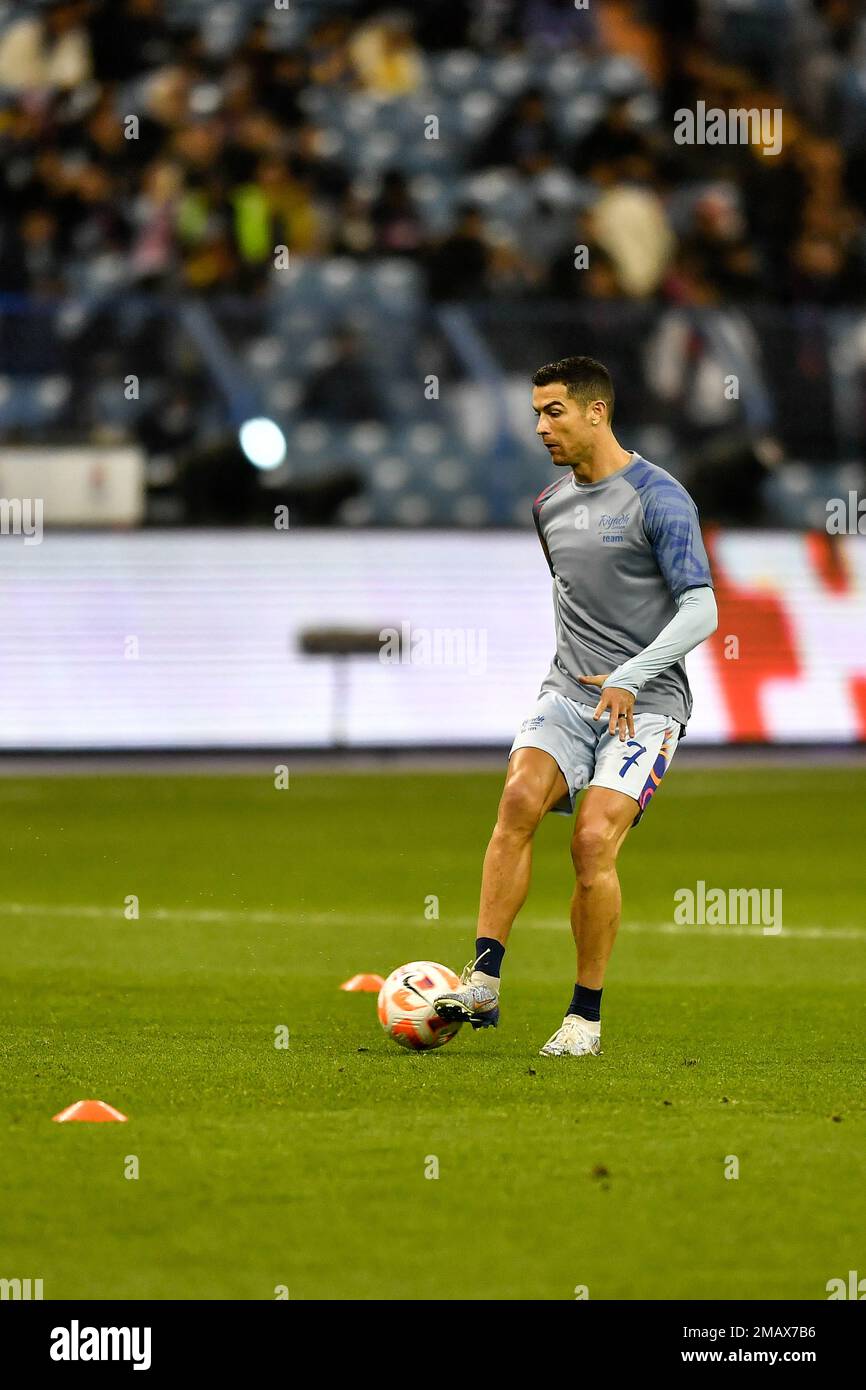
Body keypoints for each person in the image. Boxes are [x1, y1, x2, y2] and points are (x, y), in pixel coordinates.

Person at [434, 355, 718, 1057]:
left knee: (591, 841)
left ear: (597, 412)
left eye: (553, 411)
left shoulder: (661, 497)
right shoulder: (548, 507)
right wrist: (591, 675)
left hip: (647, 704)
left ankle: (583, 1018)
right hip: (569, 694)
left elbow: (702, 609)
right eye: (536, 413)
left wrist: (632, 672)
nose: (541, 427)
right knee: (518, 799)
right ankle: (484, 981)